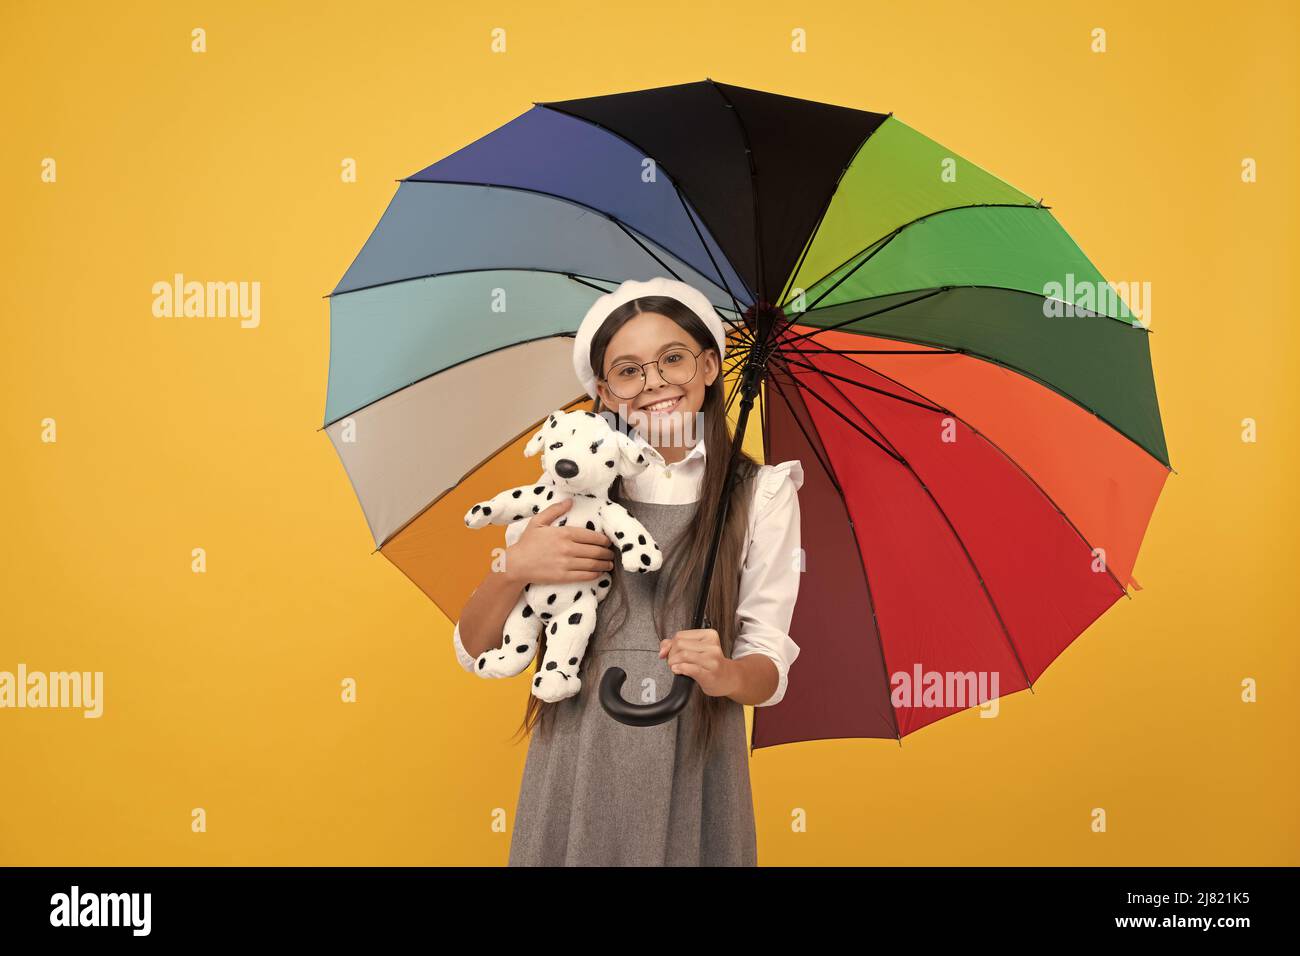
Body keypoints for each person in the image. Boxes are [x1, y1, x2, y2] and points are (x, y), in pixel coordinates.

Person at [453, 276, 803, 866]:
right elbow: (474, 649)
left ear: (712, 365)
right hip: (579, 749)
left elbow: (767, 667)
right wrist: (514, 568)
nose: (656, 384)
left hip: (695, 753)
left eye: (674, 359)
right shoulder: (567, 490)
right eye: (628, 370)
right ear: (604, 391)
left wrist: (724, 673)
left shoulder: (762, 493)